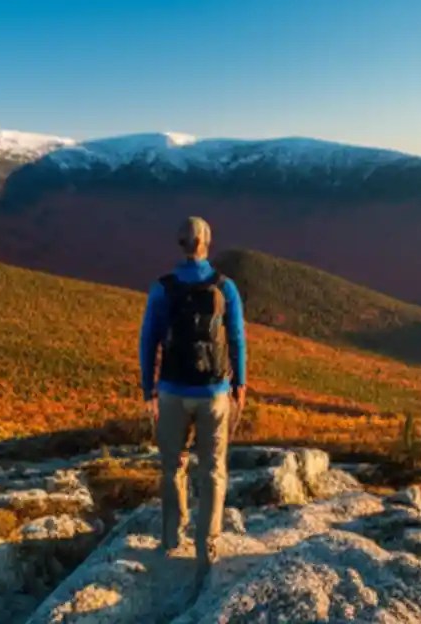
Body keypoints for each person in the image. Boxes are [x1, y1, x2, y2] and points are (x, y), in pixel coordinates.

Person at [139, 216, 247, 585]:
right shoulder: (225, 288)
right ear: (207, 243)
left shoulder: (162, 288)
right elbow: (236, 339)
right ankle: (207, 548)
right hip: (214, 393)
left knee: (173, 467)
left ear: (180, 243)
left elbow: (148, 341)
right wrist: (241, 384)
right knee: (213, 470)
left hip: (171, 391)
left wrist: (147, 389)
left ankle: (171, 537)